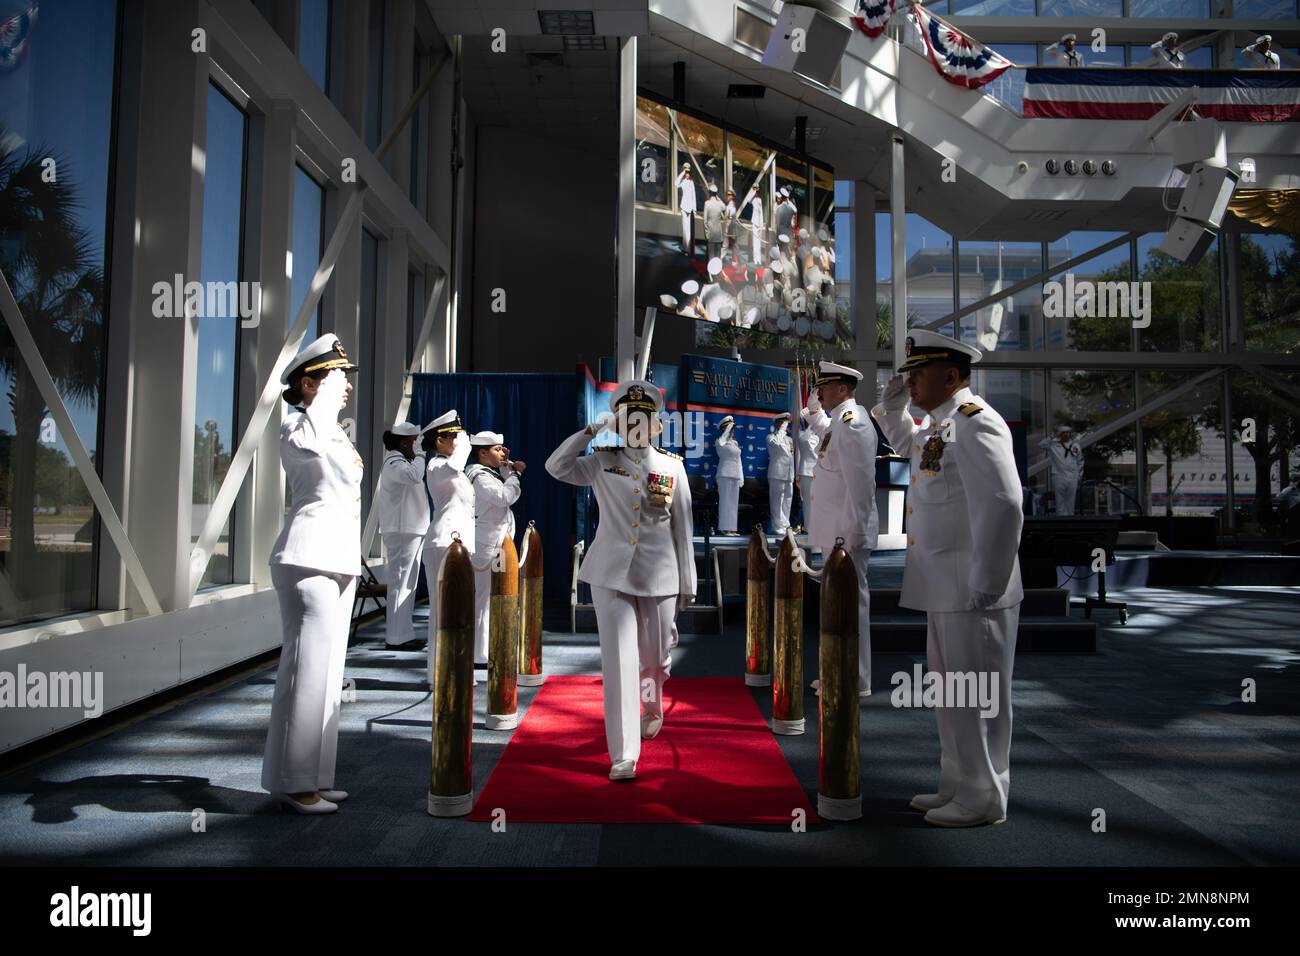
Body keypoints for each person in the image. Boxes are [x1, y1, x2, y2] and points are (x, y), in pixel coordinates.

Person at [870, 329, 1023, 828]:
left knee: (976, 695)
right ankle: (958, 782)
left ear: (951, 375)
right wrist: (891, 407)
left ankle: (984, 797)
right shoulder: (941, 427)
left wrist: (989, 581)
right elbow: (904, 444)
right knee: (951, 693)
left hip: (974, 588)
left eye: (919, 372)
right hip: (946, 585)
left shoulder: (978, 423)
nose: (910, 379)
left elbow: (1004, 503)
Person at [545, 381, 696, 780]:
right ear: (618, 422)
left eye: (643, 419)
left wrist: (689, 582)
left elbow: (683, 529)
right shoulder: (600, 461)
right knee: (619, 660)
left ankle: (652, 699)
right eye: (627, 419)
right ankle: (624, 753)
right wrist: (591, 430)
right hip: (609, 572)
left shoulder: (672, 467)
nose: (635, 425)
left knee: (654, 655)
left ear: (655, 425)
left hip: (661, 575)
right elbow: (556, 466)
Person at [262, 333, 361, 815]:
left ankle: (316, 775)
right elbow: (312, 440)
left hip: (337, 558)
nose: (346, 387)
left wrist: (328, 394)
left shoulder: (333, 431)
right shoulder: (299, 426)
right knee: (303, 670)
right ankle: (294, 781)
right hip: (307, 558)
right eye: (337, 378)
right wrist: (320, 397)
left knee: (328, 674)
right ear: (309, 383)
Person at [804, 361, 877, 697]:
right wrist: (814, 412)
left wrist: (856, 533)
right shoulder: (838, 423)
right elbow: (824, 436)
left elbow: (860, 485)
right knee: (836, 604)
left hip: (846, 533)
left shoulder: (854, 423)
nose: (820, 391)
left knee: (850, 605)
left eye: (825, 387)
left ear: (843, 389)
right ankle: (836, 669)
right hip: (835, 532)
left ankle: (855, 678)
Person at [420, 409, 475, 688]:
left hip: (458, 542)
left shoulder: (454, 468)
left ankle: (455, 668)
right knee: (442, 610)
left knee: (459, 609)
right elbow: (456, 463)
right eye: (453, 436)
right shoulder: (436, 466)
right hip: (443, 542)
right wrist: (465, 443)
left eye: (458, 437)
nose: (459, 441)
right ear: (439, 441)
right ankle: (437, 673)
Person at [466, 430, 525, 664]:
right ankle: (479, 652)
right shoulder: (479, 476)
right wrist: (515, 475)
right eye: (497, 449)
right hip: (486, 543)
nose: (503, 453)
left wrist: (506, 470)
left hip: (497, 540)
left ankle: (487, 647)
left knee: (494, 596)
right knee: (484, 597)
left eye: (502, 448)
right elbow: (503, 497)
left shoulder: (488, 473)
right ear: (482, 453)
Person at [378, 422, 429, 649]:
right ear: (402, 443)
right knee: (400, 583)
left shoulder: (404, 461)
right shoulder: (394, 462)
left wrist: (416, 454)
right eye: (412, 442)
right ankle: (395, 637)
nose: (416, 447)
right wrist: (420, 454)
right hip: (401, 529)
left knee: (409, 583)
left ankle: (403, 634)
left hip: (410, 528)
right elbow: (413, 476)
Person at [1039, 427, 1084, 516]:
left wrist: (1079, 476)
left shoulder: (1075, 446)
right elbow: (1041, 445)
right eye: (1064, 432)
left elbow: (1080, 461)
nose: (1067, 434)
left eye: (1068, 432)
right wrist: (1052, 436)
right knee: (1060, 500)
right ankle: (1060, 521)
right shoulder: (1053, 444)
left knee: (1070, 500)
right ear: (1060, 434)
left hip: (1073, 476)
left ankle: (1070, 521)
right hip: (1058, 475)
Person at [766, 413, 795, 536]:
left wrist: (793, 474)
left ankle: (785, 525)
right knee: (777, 501)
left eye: (787, 423)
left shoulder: (789, 440)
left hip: (788, 474)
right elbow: (777, 446)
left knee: (787, 500)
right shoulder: (771, 437)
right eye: (784, 423)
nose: (787, 425)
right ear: (778, 424)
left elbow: (791, 457)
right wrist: (782, 429)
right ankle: (778, 526)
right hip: (777, 473)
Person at [715, 415, 743, 534]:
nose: (732, 431)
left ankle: (732, 529)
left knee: (733, 503)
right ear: (723, 430)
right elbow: (721, 445)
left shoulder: (735, 443)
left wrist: (741, 476)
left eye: (732, 429)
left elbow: (739, 461)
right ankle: (724, 528)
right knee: (725, 502)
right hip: (724, 474)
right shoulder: (720, 441)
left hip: (735, 474)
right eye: (729, 429)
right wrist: (727, 431)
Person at [795, 408, 819, 531]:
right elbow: (810, 447)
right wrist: (812, 427)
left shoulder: (819, 432)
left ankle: (817, 526)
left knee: (819, 501)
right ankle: (810, 527)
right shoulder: (802, 434)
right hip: (807, 471)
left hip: (819, 471)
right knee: (809, 501)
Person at [676, 163, 697, 255]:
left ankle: (687, 248)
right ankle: (686, 248)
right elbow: (676, 184)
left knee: (688, 229)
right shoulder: (683, 181)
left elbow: (694, 196)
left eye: (688, 171)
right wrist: (682, 172)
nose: (687, 173)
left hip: (690, 208)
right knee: (685, 229)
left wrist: (694, 209)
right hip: (684, 207)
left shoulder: (691, 182)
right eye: (686, 171)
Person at [703, 184, 726, 263]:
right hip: (718, 233)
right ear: (716, 194)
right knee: (717, 256)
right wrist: (718, 198)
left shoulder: (707, 203)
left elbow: (705, 220)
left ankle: (710, 274)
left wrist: (706, 233)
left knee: (711, 255)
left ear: (709, 192)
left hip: (711, 233)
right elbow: (724, 207)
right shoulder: (720, 204)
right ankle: (717, 273)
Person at [722, 189, 739, 259]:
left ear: (732, 196)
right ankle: (733, 261)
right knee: (732, 245)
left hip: (730, 227)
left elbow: (726, 218)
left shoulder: (729, 206)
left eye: (729, 195)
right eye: (727, 195)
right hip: (731, 227)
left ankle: (721, 259)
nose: (727, 196)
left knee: (727, 245)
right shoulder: (732, 205)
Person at [750, 192, 764, 264]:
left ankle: (759, 259)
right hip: (755, 222)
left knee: (759, 243)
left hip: (759, 223)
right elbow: (748, 200)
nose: (757, 193)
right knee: (755, 242)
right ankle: (756, 259)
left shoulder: (760, 200)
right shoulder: (753, 199)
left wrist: (761, 224)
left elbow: (761, 213)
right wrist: (753, 192)